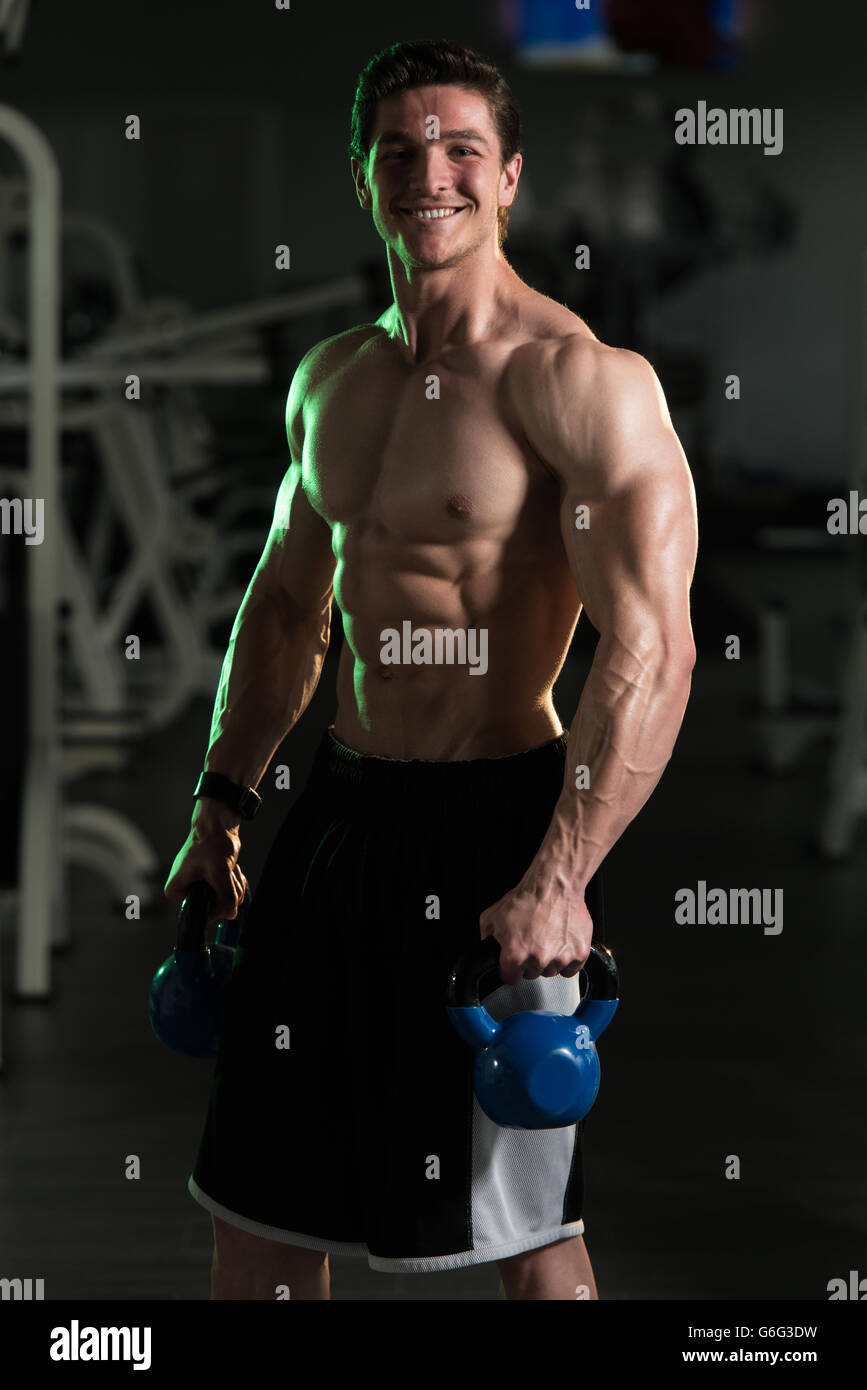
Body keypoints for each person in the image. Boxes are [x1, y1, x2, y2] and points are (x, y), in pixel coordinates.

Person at [164, 37, 698, 1301]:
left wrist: (563, 880)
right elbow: (290, 603)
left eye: (462, 149)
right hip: (341, 819)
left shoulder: (580, 383)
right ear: (364, 181)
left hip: (499, 831)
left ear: (508, 176)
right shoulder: (330, 379)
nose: (432, 174)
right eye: (399, 151)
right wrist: (222, 803)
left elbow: (654, 643)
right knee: (258, 1208)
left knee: (528, 1236)